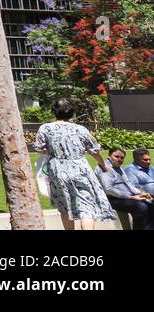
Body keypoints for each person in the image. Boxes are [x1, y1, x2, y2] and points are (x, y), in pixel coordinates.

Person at [31, 97, 114, 230]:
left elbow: (39, 148)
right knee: (87, 205)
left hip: (57, 168)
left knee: (64, 205)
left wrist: (53, 152)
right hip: (80, 168)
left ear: (54, 111)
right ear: (71, 112)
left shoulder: (45, 128)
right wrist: (103, 165)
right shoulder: (80, 129)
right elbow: (94, 151)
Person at [96, 148, 153, 230]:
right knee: (141, 207)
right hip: (112, 199)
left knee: (151, 202)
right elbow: (109, 189)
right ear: (109, 156)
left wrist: (140, 193)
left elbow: (128, 184)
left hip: (125, 197)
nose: (119, 159)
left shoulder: (118, 168)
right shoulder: (104, 167)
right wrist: (131, 197)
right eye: (116, 156)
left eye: (122, 158)